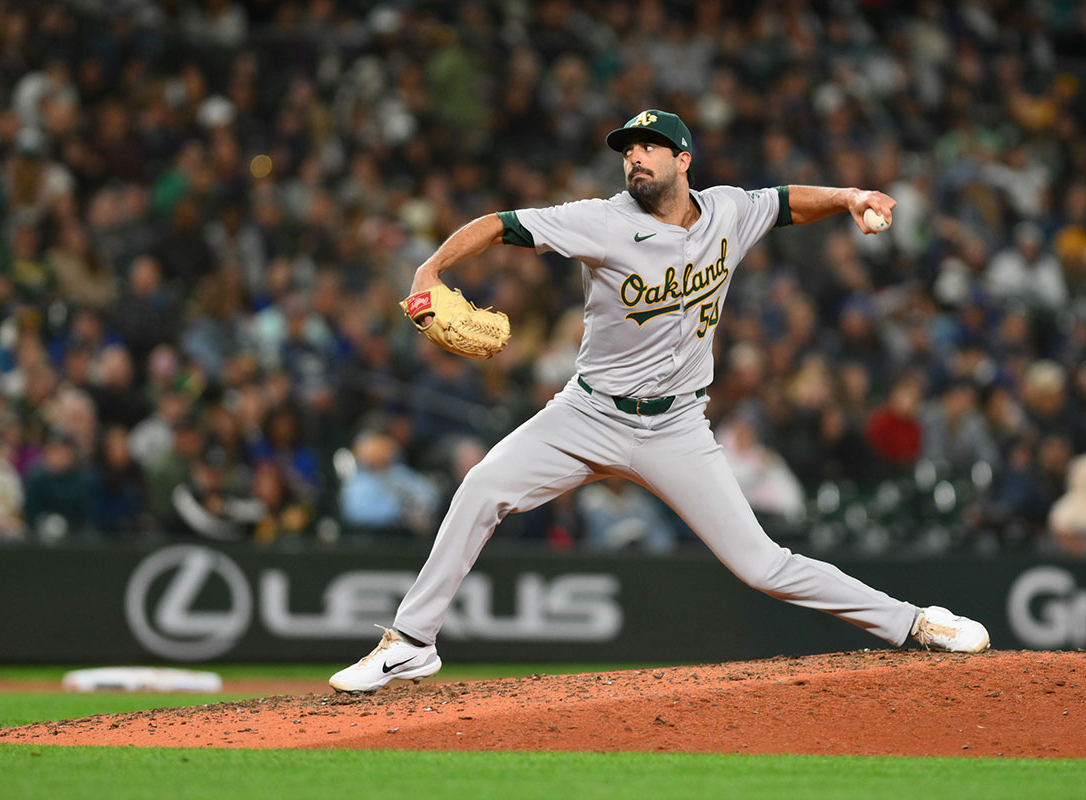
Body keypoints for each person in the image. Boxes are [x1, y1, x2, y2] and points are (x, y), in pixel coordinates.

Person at [329, 109, 989, 694]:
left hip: (676, 425)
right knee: (480, 487)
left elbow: (787, 202)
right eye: (627, 150)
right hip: (586, 414)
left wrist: (847, 197)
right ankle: (412, 644)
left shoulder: (728, 210)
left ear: (682, 161)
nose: (634, 158)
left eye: (648, 147)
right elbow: (499, 225)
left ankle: (917, 623)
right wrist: (429, 270)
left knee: (763, 565)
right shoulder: (599, 221)